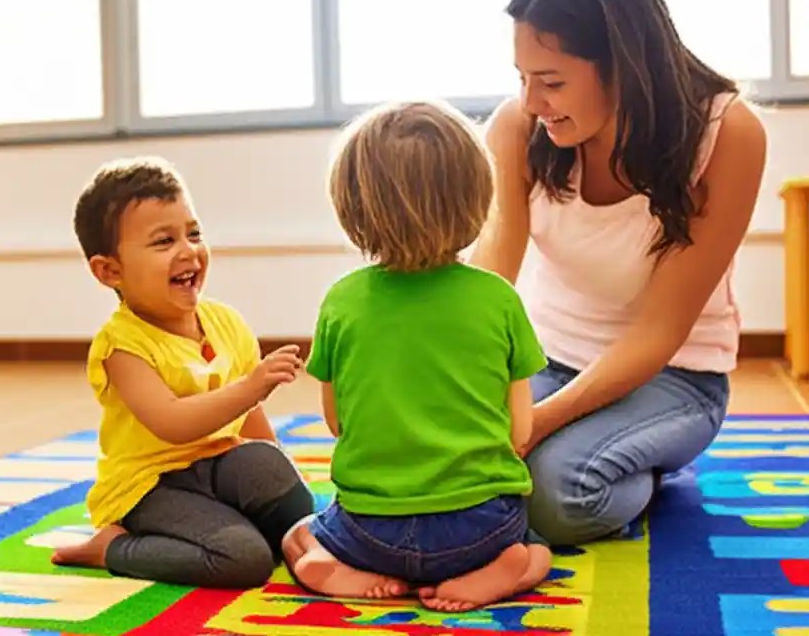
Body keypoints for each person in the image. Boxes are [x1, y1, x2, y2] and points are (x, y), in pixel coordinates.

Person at [470, 0, 768, 547]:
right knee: (471, 472)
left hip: (676, 378)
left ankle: (647, 470)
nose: (530, 102)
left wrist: (535, 424)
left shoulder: (728, 136)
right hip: (549, 359)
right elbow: (488, 283)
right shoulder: (519, 128)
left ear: (624, 65)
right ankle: (607, 453)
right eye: (522, 79)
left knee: (555, 498)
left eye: (551, 82)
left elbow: (659, 332)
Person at [281, 100, 553, 613]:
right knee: (537, 550)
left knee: (298, 534)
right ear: (477, 198)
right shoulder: (498, 298)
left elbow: (337, 422)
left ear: (353, 207)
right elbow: (520, 431)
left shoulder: (341, 301)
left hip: (370, 531)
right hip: (480, 530)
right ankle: (505, 569)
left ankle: (333, 567)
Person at [50, 155, 316, 589]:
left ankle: (261, 527)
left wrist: (285, 492)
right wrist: (251, 387)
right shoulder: (122, 346)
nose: (188, 250)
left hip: (218, 467)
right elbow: (173, 423)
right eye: (163, 241)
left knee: (288, 500)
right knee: (245, 560)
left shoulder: (226, 322)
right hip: (151, 487)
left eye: (193, 234)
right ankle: (112, 548)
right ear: (110, 270)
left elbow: (252, 424)